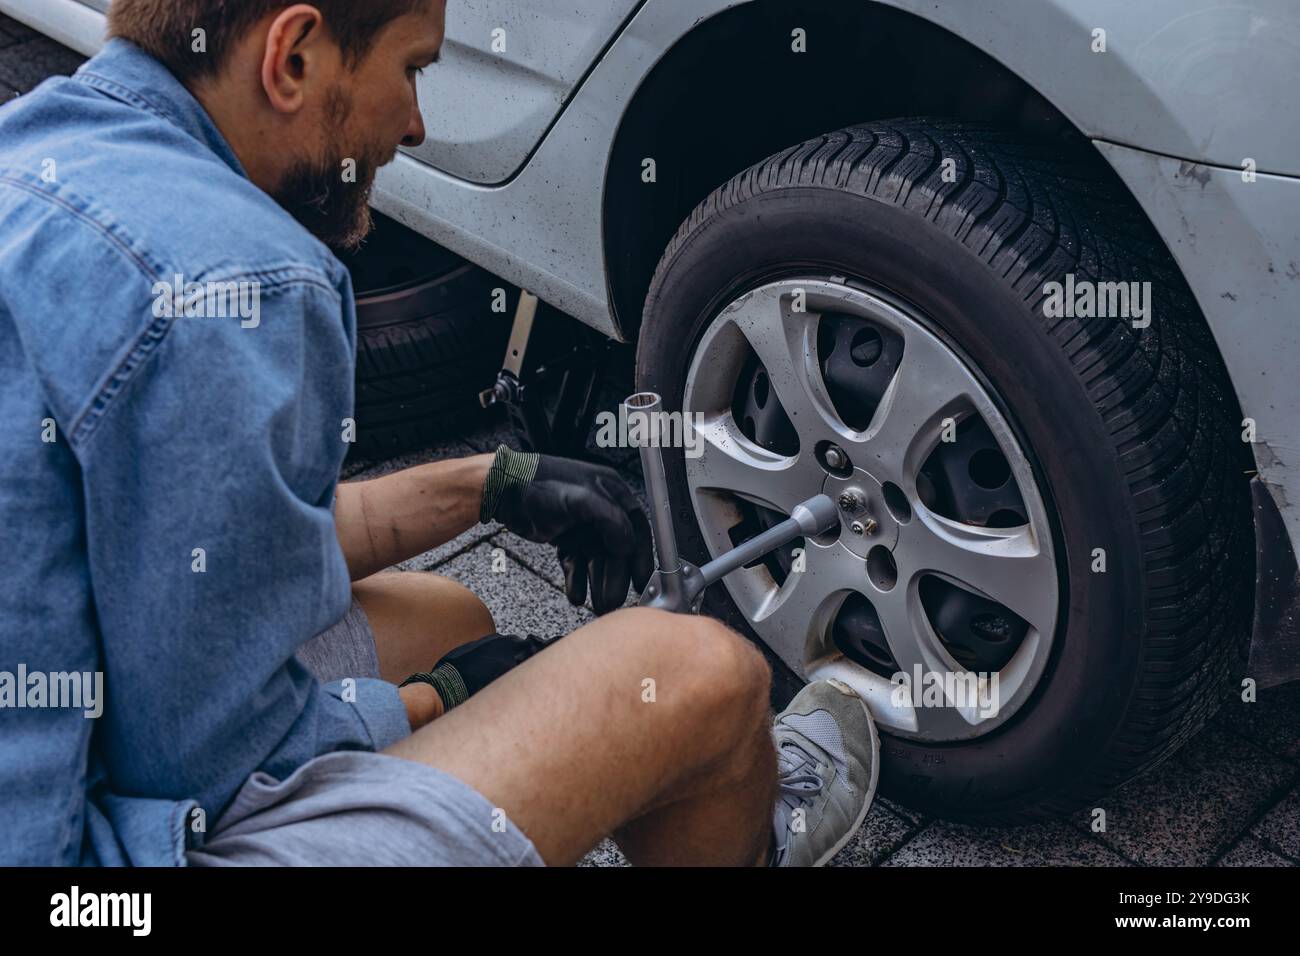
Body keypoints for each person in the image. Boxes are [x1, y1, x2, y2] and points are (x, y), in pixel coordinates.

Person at [0, 0, 879, 867]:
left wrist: (491, 484)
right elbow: (211, 772)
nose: (416, 125)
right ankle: (748, 826)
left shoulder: (34, 150)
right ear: (294, 56)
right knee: (698, 676)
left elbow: (207, 549)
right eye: (412, 67)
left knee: (446, 614)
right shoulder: (242, 280)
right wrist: (431, 702)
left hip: (70, 754)